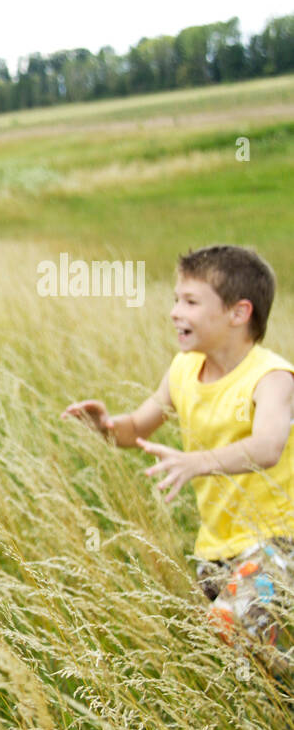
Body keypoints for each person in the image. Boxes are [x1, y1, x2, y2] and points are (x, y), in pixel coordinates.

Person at [63, 245, 294, 675]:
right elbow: (138, 428)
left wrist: (198, 461)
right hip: (216, 547)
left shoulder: (272, 378)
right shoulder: (184, 370)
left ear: (238, 313)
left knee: (229, 624)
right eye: (175, 300)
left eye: (190, 301)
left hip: (279, 541)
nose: (174, 312)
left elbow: (268, 447)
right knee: (228, 660)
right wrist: (106, 428)